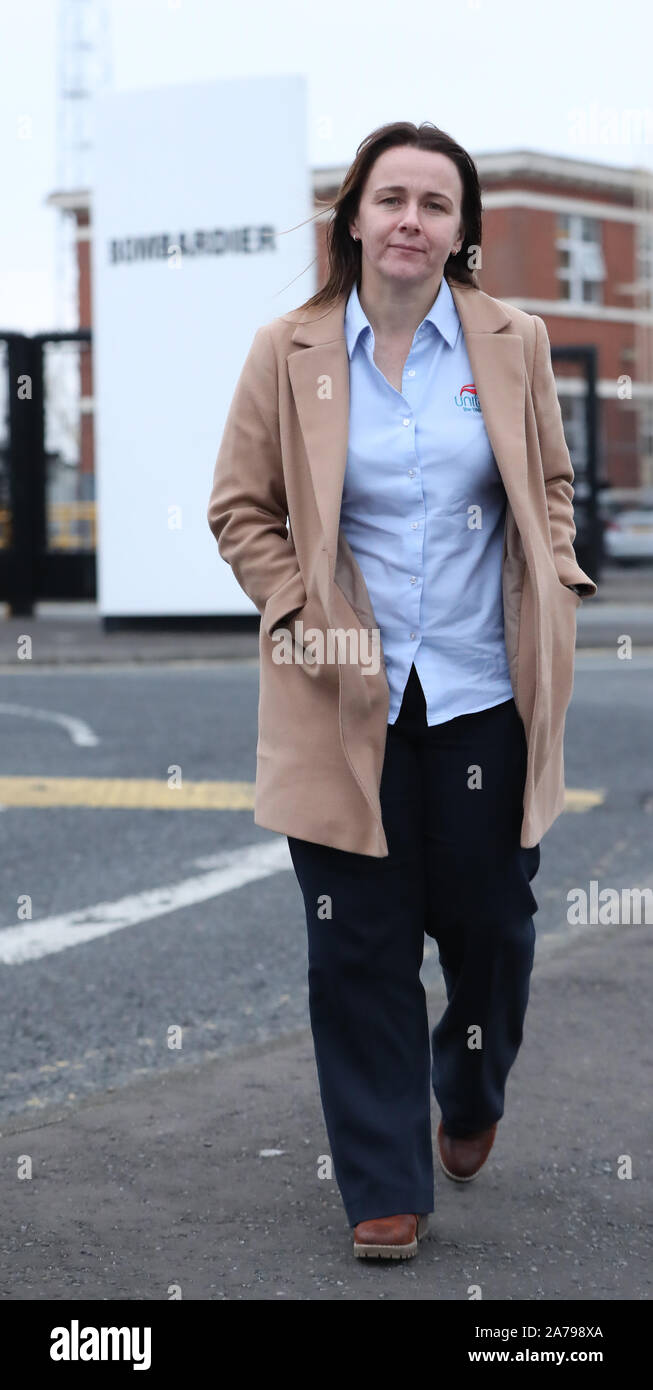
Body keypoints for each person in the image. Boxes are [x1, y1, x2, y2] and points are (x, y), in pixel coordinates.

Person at [207, 121, 598, 1261]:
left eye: (434, 202)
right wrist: (298, 609)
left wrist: (557, 574)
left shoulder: (510, 343)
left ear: (461, 229)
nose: (410, 220)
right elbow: (242, 508)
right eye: (390, 199)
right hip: (341, 700)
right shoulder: (286, 349)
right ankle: (383, 1184)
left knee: (491, 930)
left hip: (481, 689)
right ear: (353, 218)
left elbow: (553, 485)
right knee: (357, 946)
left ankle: (466, 1092)